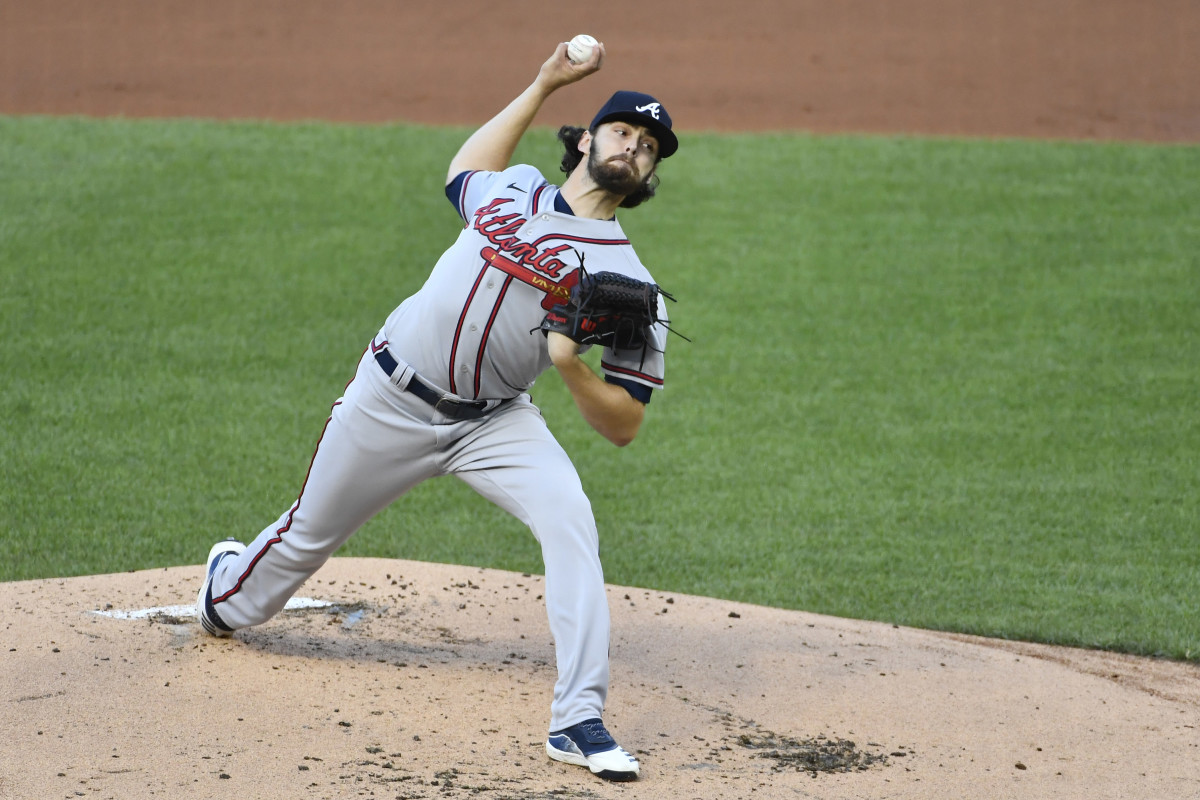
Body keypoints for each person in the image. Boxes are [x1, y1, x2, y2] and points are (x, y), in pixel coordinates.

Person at [195, 40, 679, 783]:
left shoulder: (628, 279)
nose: (634, 149)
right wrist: (546, 82)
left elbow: (625, 423)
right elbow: (462, 172)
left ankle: (578, 718)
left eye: (649, 148)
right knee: (286, 559)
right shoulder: (513, 189)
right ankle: (225, 586)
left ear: (649, 174)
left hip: (494, 421)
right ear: (586, 140)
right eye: (622, 132)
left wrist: (569, 366)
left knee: (571, 522)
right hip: (390, 396)